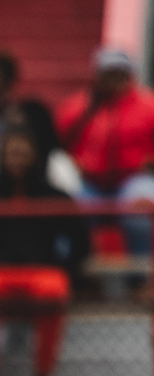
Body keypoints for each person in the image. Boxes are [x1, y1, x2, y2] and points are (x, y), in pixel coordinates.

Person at [0, 125, 90, 376]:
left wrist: (62, 267)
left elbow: (82, 244)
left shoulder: (56, 197)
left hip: (42, 273)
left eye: (23, 154)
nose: (17, 160)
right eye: (11, 154)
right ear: (1, 158)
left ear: (36, 156)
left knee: (55, 290)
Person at [55, 47, 154, 259]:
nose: (114, 79)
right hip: (89, 182)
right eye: (109, 73)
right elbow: (58, 145)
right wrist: (71, 163)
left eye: (119, 73)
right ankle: (76, 271)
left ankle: (142, 274)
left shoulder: (148, 106)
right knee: (68, 211)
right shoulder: (76, 107)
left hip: (133, 178)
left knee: (141, 207)